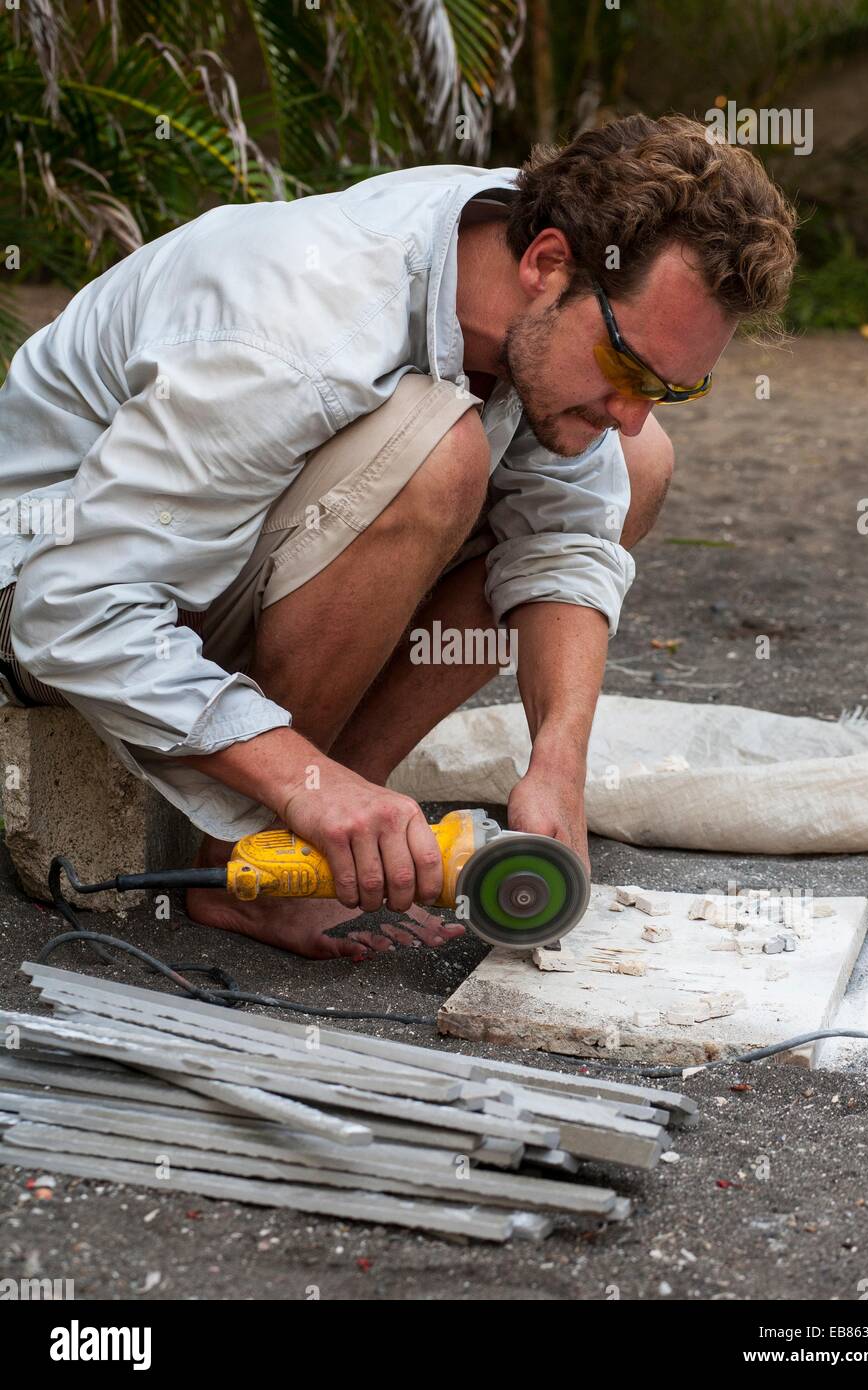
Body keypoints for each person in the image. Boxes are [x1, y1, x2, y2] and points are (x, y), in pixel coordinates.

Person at [0, 114, 797, 959]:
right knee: (444, 454)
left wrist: (559, 760)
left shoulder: (516, 258)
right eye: (626, 369)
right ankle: (266, 836)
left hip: (217, 561)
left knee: (635, 465)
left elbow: (567, 536)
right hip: (52, 588)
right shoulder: (299, 330)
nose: (632, 409)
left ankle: (344, 814)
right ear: (547, 264)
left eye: (672, 387)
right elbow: (69, 610)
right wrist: (302, 785)